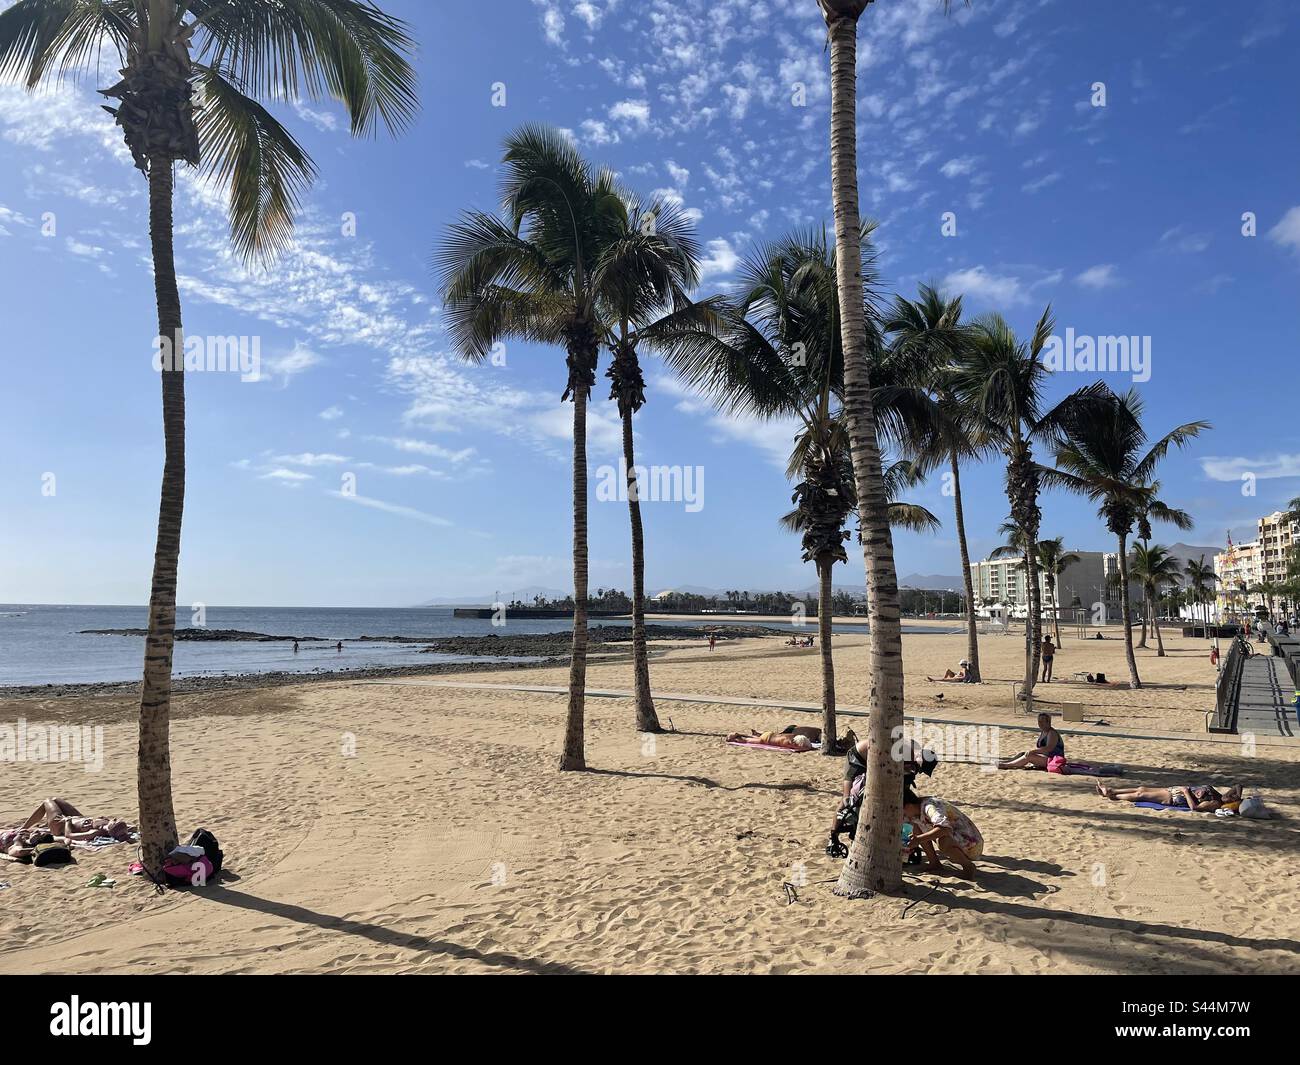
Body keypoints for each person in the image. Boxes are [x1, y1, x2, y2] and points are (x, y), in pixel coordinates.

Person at [902, 787, 983, 879]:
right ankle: (934, 862)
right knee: (916, 827)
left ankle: (968, 866)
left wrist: (919, 839)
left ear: (908, 806)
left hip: (971, 843)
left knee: (943, 842)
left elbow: (945, 828)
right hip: (956, 837)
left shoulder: (929, 807)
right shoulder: (915, 812)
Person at [1096, 781, 1243, 811]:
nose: (1229, 796)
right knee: (1141, 788)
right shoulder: (1217, 794)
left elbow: (1195, 807)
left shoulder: (1215, 803)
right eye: (1230, 794)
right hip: (1175, 790)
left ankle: (1112, 796)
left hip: (1175, 799)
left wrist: (1186, 792)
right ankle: (1112, 791)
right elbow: (1238, 786)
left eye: (1231, 798)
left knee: (1140, 795)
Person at [998, 712, 1065, 770]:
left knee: (1029, 756)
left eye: (1042, 721)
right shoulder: (1043, 731)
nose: (1040, 723)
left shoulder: (1052, 733)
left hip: (1053, 760)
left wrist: (1033, 751)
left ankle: (1008, 765)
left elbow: (1048, 748)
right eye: (1039, 721)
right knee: (1023, 753)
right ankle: (1007, 762)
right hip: (1045, 757)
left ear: (1048, 722)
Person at [727, 729, 813, 750]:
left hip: (769, 734)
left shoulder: (792, 736)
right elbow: (799, 748)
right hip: (766, 739)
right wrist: (808, 747)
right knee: (746, 741)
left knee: (755, 738)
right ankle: (734, 738)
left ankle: (741, 735)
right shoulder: (789, 743)